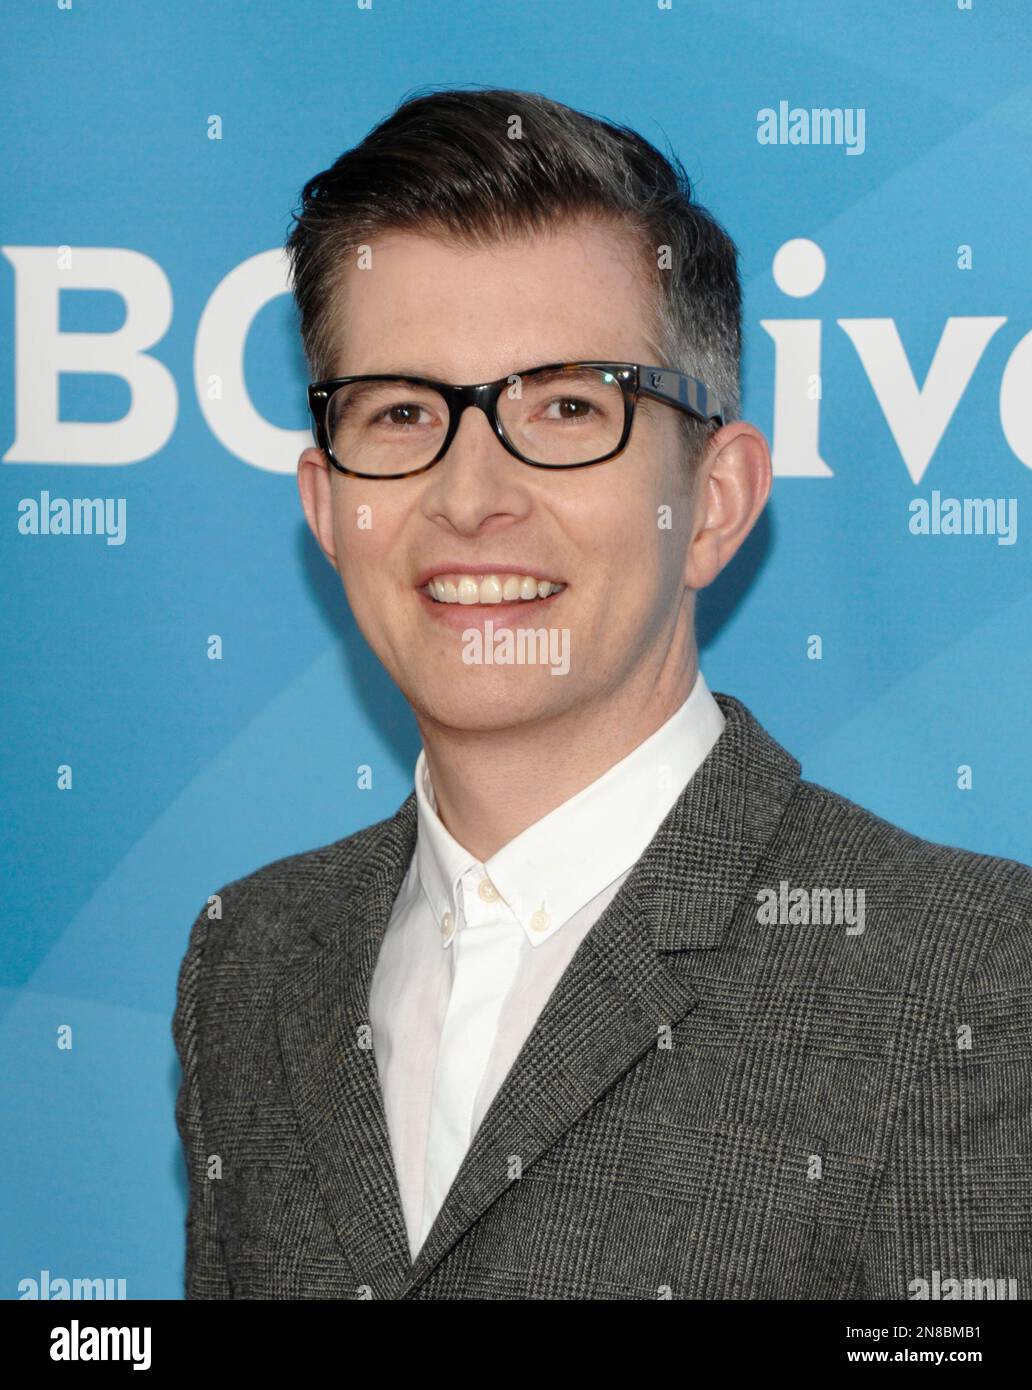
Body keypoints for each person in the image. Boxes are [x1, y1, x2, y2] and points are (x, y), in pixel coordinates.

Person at [173, 86, 1032, 1300]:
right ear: (327, 506)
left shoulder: (975, 977)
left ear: (715, 504)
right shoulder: (251, 958)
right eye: (404, 412)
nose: (471, 495)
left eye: (568, 408)